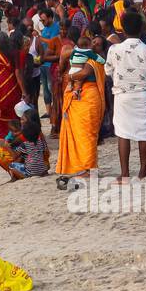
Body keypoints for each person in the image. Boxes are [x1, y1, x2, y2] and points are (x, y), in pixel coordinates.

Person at [104, 10, 146, 181]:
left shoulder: (114, 49)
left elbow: (108, 70)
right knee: (144, 132)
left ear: (123, 30)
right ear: (141, 29)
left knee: (123, 133)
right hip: (142, 95)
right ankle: (142, 172)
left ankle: (124, 173)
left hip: (122, 95)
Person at [55, 33, 107, 187]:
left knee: (87, 135)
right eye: (94, 42)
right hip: (80, 99)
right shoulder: (82, 55)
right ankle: (84, 167)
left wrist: (69, 78)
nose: (95, 45)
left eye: (98, 44)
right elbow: (64, 55)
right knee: (79, 134)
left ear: (101, 49)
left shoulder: (93, 62)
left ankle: (89, 170)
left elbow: (83, 74)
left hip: (89, 99)